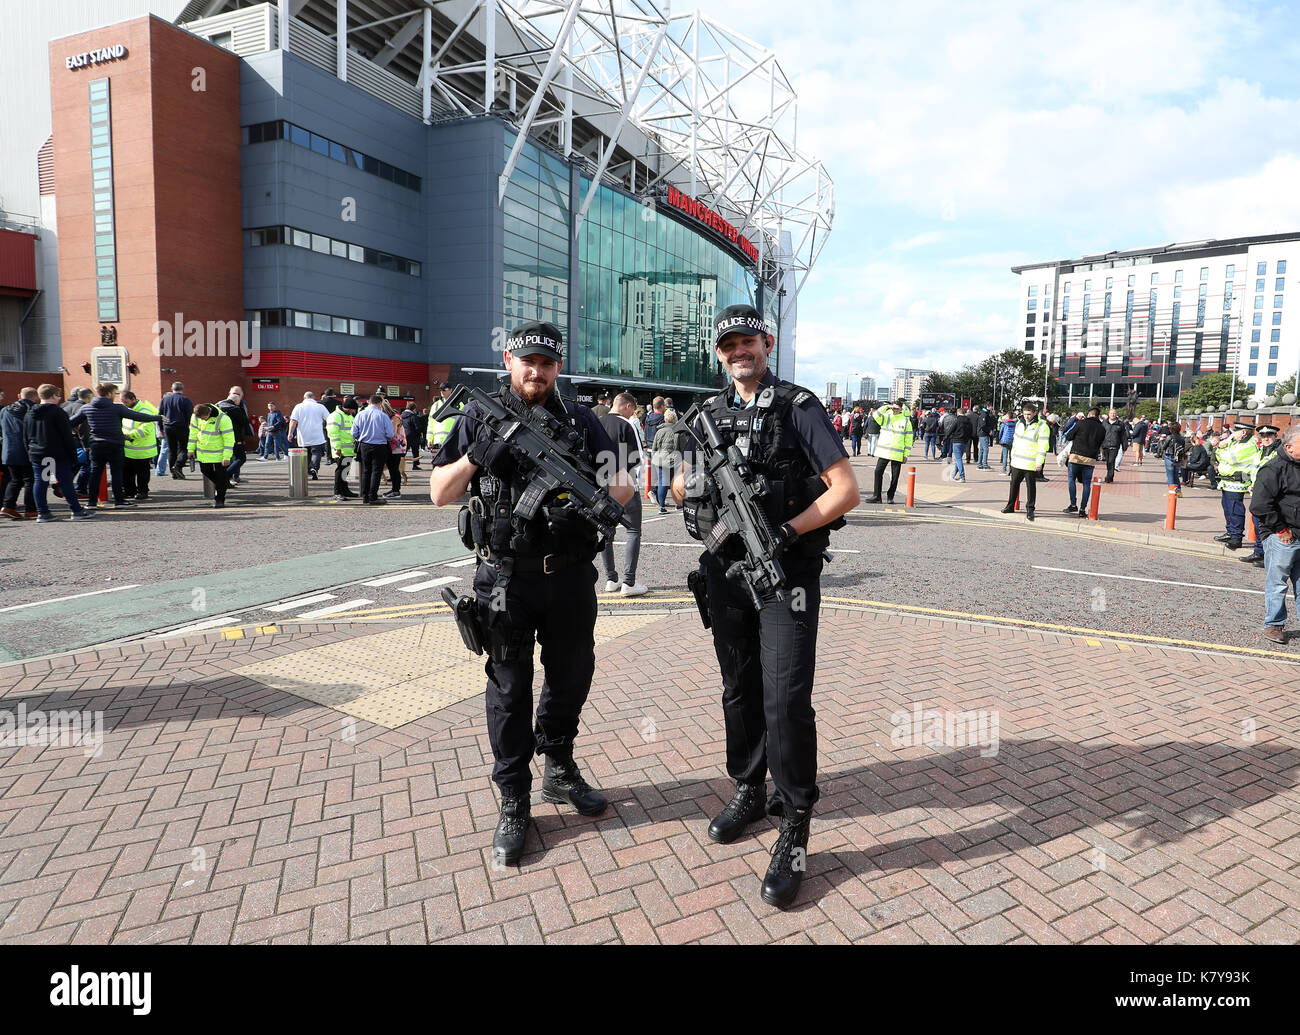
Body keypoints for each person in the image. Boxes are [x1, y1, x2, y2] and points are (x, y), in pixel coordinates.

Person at [671, 303, 858, 910]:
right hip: (727, 574)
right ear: (718, 354)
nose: (737, 352)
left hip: (785, 576)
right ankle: (750, 788)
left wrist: (786, 532)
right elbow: (675, 488)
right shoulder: (704, 416)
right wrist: (687, 481)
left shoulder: (799, 406)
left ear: (766, 343)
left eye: (746, 341)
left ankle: (795, 821)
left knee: (785, 697)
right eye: (726, 345)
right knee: (739, 689)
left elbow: (845, 491)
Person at [429, 320, 634, 866]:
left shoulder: (583, 419)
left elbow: (623, 483)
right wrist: (479, 455)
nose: (537, 371)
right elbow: (438, 492)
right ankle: (514, 796)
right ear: (508, 359)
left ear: (557, 367)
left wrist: (581, 499)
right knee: (509, 687)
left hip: (568, 576)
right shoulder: (477, 414)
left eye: (547, 363)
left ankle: (559, 767)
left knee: (571, 676)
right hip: (503, 580)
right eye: (528, 362)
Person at [70, 383, 163, 511]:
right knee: (116, 473)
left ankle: (92, 502)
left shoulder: (87, 408)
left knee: (95, 473)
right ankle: (119, 500)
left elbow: (71, 422)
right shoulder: (117, 408)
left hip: (96, 445)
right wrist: (158, 417)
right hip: (115, 445)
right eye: (114, 393)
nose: (115, 396)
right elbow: (139, 416)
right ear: (108, 394)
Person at [1249, 424, 1300, 643]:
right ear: (1289, 447)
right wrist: (1280, 529)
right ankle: (1274, 625)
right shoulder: (1274, 468)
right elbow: (1260, 505)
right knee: (1278, 583)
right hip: (1283, 535)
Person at [24, 384, 95, 522]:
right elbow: (66, 436)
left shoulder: (30, 413)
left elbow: (25, 436)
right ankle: (76, 510)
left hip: (38, 453)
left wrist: (30, 452)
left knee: (41, 481)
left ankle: (42, 513)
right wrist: (73, 456)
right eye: (58, 396)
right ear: (53, 396)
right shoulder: (58, 412)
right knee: (66, 481)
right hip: (58, 454)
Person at [599, 392, 646, 597]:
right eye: (632, 410)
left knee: (606, 531)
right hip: (625, 484)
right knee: (633, 531)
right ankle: (629, 582)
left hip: (600, 486)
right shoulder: (627, 425)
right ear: (627, 406)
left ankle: (611, 579)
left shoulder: (596, 423)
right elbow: (638, 459)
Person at [1241, 425, 1282, 569]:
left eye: (1269, 436)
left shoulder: (1278, 453)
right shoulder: (1261, 451)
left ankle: (1267, 555)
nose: (1266, 439)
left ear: (1275, 436)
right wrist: (1250, 483)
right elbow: (1253, 470)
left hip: (1271, 495)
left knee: (1268, 526)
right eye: (1263, 436)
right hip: (1258, 493)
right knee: (1258, 524)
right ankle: (1258, 552)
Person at [1001, 400, 1049, 521]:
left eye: (1029, 414)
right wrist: (1012, 459)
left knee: (1031, 487)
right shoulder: (1019, 423)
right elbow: (1016, 441)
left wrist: (1039, 462)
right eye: (1025, 413)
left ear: (1034, 413)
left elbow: (1043, 446)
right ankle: (1010, 506)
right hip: (1017, 461)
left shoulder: (1042, 425)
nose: (1026, 416)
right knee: (1013, 485)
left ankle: (1030, 509)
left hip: (1031, 463)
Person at [1214, 420, 1256, 550]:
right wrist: (1222, 449)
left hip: (1237, 483)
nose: (1233, 433)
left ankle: (1236, 537)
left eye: (1236, 431)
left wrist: (1221, 448)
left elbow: (1230, 458)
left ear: (1243, 432)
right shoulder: (1236, 443)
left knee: (1235, 510)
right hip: (1227, 482)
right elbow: (1219, 456)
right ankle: (1230, 532)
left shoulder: (1249, 445)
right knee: (1227, 508)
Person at [866, 399, 914, 503]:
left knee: (895, 476)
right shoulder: (887, 417)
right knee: (878, 472)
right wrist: (887, 407)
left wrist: (906, 455)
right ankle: (877, 496)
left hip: (898, 453)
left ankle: (890, 497)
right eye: (894, 408)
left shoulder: (906, 421)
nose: (895, 410)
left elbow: (909, 439)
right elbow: (875, 415)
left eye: (897, 408)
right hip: (885, 451)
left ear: (901, 409)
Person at [1, 387, 39, 519]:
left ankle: (8, 506)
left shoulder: (5, 410)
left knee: (15, 480)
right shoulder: (34, 410)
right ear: (36, 397)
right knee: (30, 480)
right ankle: (30, 509)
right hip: (27, 450)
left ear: (19, 395)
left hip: (9, 450)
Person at [187, 403, 234, 508]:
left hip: (219, 454)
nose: (203, 420)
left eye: (205, 418)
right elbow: (193, 433)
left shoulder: (223, 419)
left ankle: (220, 500)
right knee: (206, 471)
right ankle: (223, 484)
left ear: (209, 412)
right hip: (203, 453)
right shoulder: (195, 417)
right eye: (201, 419)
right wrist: (190, 449)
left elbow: (229, 439)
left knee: (220, 476)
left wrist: (226, 457)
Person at [350, 393, 394, 505]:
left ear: (369, 402)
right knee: (376, 471)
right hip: (379, 446)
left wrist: (361, 436)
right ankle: (373, 496)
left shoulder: (360, 415)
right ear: (380, 403)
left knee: (366, 471)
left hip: (364, 445)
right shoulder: (383, 416)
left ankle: (365, 496)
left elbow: (353, 432)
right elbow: (390, 434)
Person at [1062, 406, 1105, 516]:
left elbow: (1069, 436)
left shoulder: (1081, 423)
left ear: (1089, 414)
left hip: (1076, 456)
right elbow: (1100, 443)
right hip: (1090, 458)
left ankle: (1073, 504)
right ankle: (1082, 509)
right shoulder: (1102, 428)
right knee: (1087, 484)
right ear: (1097, 415)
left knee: (1071, 480)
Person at [119, 390, 160, 501]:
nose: (124, 404)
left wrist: (130, 436)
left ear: (133, 399)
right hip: (129, 448)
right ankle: (129, 491)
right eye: (122, 402)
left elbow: (145, 430)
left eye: (125, 401)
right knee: (128, 472)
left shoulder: (144, 410)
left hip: (141, 449)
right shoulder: (128, 409)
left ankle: (143, 491)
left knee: (142, 473)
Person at [288, 392, 330, 478]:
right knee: (316, 452)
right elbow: (329, 419)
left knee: (305, 454)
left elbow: (293, 421)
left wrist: (290, 433)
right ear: (314, 397)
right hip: (317, 435)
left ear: (304, 397)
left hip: (303, 436)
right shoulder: (320, 406)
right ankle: (314, 468)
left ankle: (308, 470)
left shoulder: (298, 406)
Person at [651, 410, 685, 514]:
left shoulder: (659, 431)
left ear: (665, 419)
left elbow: (654, 448)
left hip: (660, 459)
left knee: (662, 482)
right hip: (673, 460)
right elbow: (682, 448)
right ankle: (678, 505)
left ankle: (661, 507)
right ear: (675, 420)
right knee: (676, 482)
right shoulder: (678, 431)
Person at [216, 387, 251, 485]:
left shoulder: (218, 406)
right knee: (241, 458)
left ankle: (229, 479)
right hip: (235, 437)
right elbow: (245, 421)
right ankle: (225, 476)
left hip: (221, 436)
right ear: (236, 401)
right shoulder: (236, 408)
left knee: (226, 459)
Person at [327, 396, 359, 501]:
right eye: (353, 409)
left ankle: (345, 490)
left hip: (349, 449)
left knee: (345, 471)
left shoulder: (349, 416)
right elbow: (333, 434)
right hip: (340, 450)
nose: (354, 411)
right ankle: (337, 492)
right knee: (340, 471)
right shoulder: (335, 416)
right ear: (349, 408)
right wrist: (337, 448)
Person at [159, 382, 193, 480]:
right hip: (182, 426)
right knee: (183, 448)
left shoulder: (165, 399)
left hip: (168, 427)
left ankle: (173, 472)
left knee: (172, 450)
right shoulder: (185, 400)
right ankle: (178, 466)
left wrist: (161, 427)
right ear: (182, 389)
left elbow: (160, 414)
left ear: (172, 388)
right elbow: (190, 415)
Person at [381, 399, 406, 498]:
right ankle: (394, 489)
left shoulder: (394, 418)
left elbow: (392, 433)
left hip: (395, 447)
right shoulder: (393, 417)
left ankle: (396, 491)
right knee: (392, 468)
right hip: (394, 446)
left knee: (394, 469)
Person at [1158, 418, 1188, 497]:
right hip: (1178, 458)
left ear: (1171, 429)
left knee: (1170, 475)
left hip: (1169, 457)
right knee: (1176, 475)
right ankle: (1179, 491)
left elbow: (1163, 447)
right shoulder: (1182, 438)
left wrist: (1161, 441)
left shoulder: (1169, 437)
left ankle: (1171, 491)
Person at [948, 407, 971, 481]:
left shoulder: (957, 420)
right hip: (964, 441)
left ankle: (962, 476)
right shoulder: (968, 421)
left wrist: (945, 438)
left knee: (958, 459)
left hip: (956, 441)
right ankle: (953, 474)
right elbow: (971, 431)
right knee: (959, 459)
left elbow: (951, 430)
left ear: (958, 413)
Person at [401, 402, 423, 470]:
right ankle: (415, 465)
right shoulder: (413, 416)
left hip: (404, 435)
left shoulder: (402, 416)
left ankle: (398, 463)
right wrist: (420, 433)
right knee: (415, 451)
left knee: (404, 451)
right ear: (413, 409)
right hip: (413, 436)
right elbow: (417, 427)